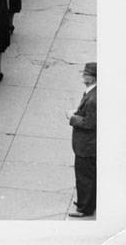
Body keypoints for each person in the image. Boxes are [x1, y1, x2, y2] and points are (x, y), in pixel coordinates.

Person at [66, 62, 97, 217]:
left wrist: (72, 118)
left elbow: (89, 123)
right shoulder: (92, 93)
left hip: (87, 145)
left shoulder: (92, 99)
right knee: (88, 174)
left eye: (86, 74)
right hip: (88, 144)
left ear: (92, 78)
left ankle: (85, 208)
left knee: (84, 176)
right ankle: (87, 202)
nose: (83, 76)